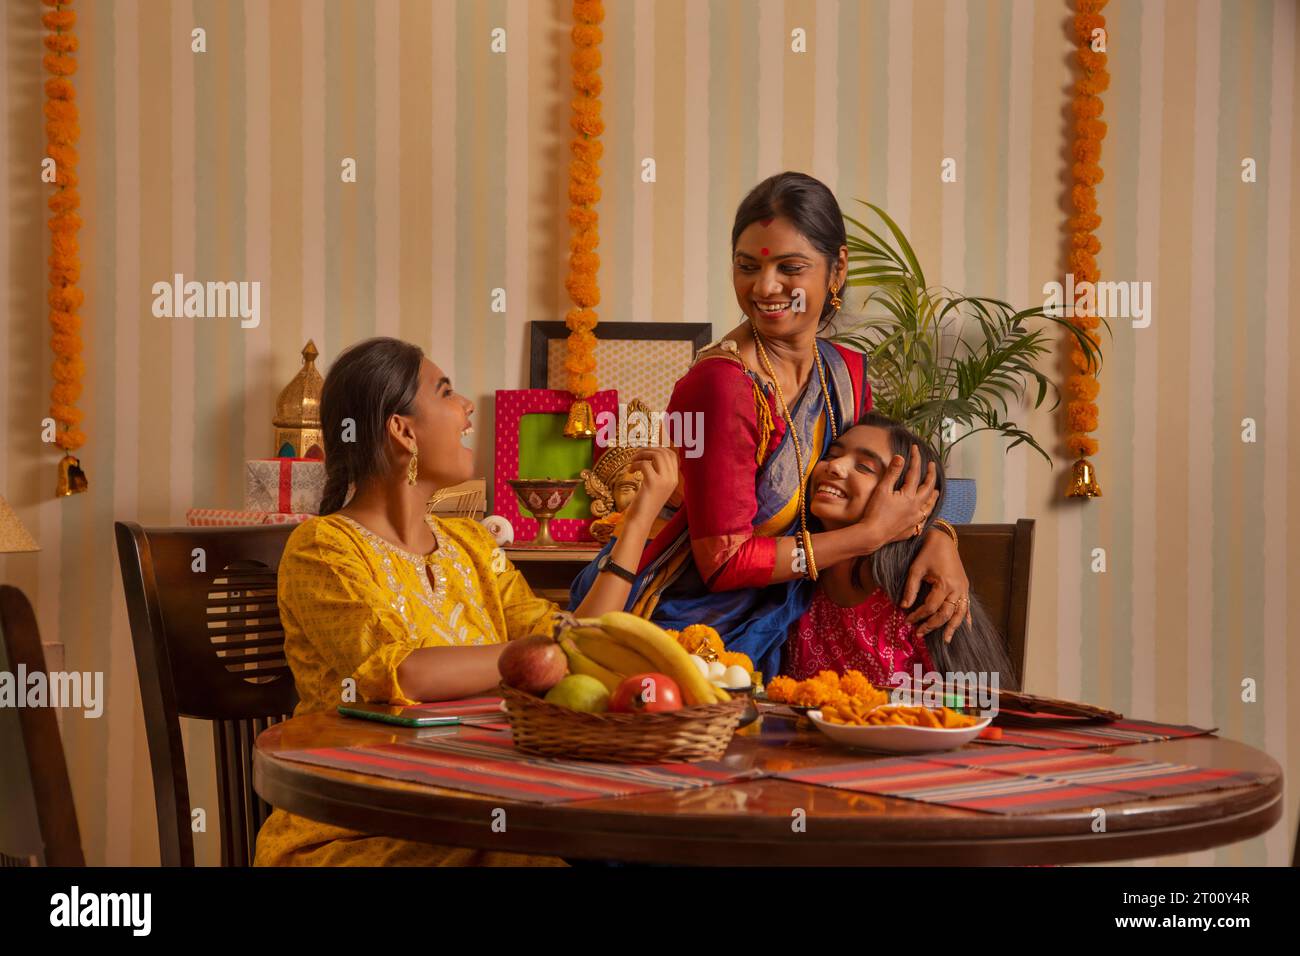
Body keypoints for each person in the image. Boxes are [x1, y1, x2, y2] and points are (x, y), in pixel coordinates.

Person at [254, 336, 679, 866]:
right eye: (447, 391)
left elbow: (579, 636)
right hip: (359, 827)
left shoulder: (472, 544)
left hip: (480, 808)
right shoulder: (323, 549)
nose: (467, 406)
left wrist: (639, 520)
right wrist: (543, 653)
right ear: (402, 429)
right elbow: (405, 674)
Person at [569, 172, 972, 678]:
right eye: (746, 267)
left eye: (791, 267)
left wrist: (940, 539)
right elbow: (723, 564)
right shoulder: (720, 386)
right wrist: (867, 536)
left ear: (837, 268)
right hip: (698, 625)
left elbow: (897, 484)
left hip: (800, 608)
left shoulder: (846, 372)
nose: (765, 287)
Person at [786, 411, 1020, 690]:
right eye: (831, 455)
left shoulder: (925, 597)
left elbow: (977, 705)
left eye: (864, 467)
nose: (834, 467)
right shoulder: (794, 586)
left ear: (909, 497)